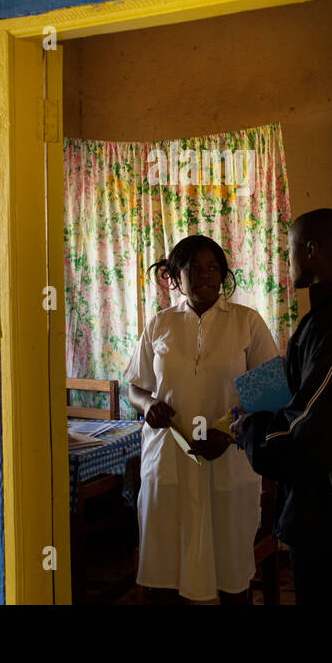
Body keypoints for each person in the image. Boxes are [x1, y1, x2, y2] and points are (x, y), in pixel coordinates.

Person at [126, 234, 280, 604]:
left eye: (213, 268)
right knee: (164, 569)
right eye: (194, 268)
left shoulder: (246, 322)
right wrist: (148, 405)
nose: (205, 275)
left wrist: (227, 433)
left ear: (223, 275)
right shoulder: (159, 325)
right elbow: (136, 387)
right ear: (175, 276)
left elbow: (272, 392)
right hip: (168, 460)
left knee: (231, 569)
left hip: (227, 459)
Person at [234, 208, 332, 604]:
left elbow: (308, 426)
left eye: (290, 251)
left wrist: (249, 429)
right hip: (314, 505)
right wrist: (251, 406)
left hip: (331, 513)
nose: (288, 262)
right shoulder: (318, 318)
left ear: (312, 250)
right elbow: (297, 393)